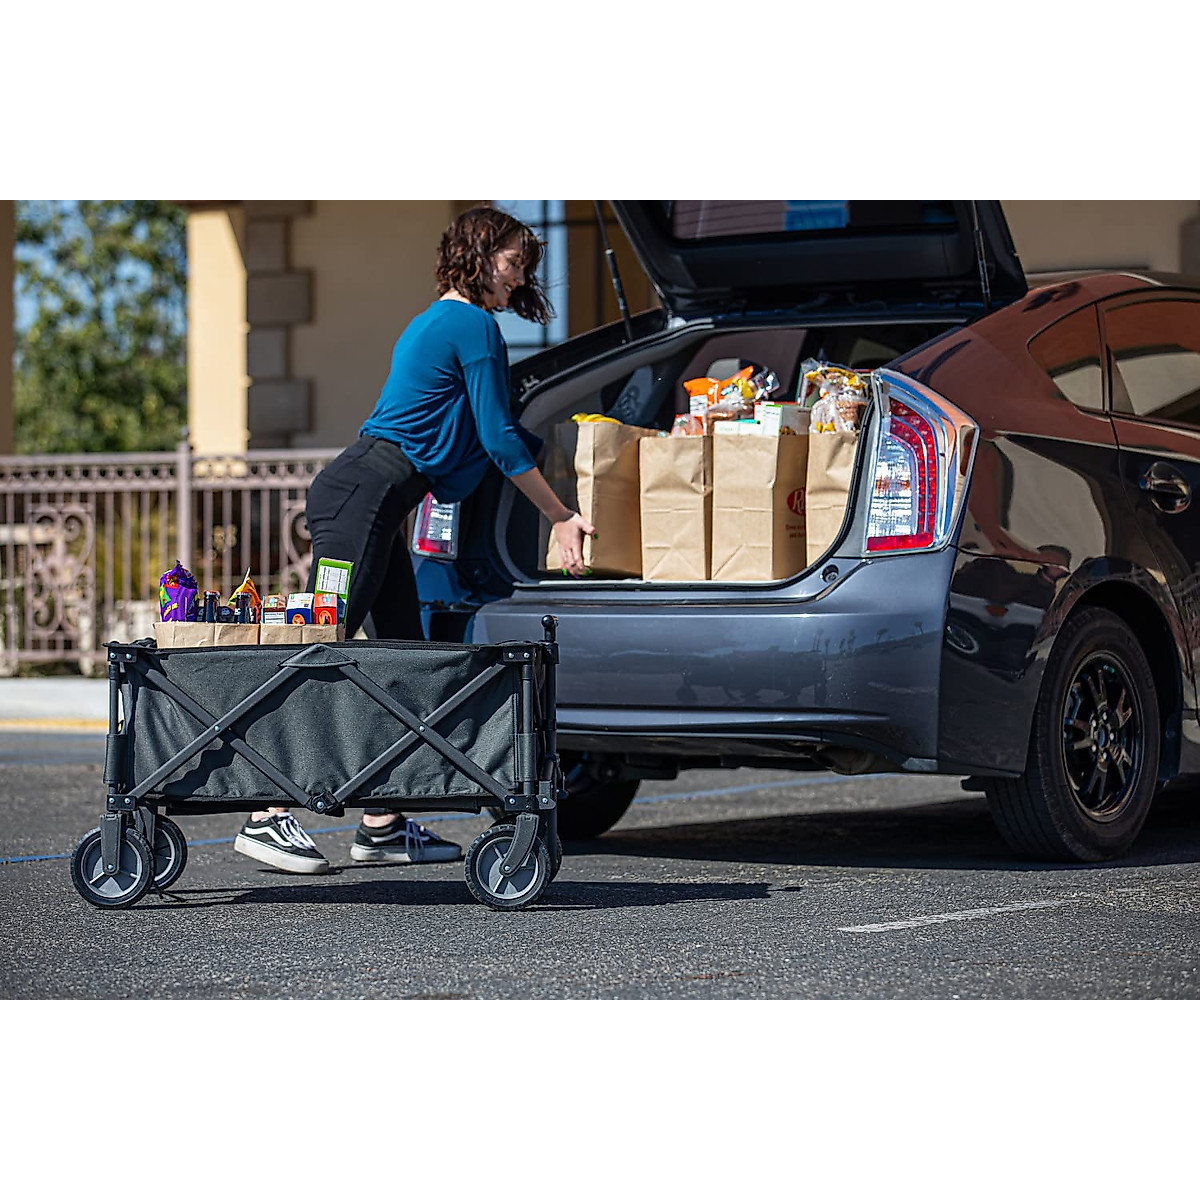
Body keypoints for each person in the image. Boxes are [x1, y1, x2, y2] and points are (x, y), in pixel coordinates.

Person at [234, 206, 594, 875]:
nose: (519, 280)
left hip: (376, 501)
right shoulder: (470, 323)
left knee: (400, 656)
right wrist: (559, 514)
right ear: (481, 255)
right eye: (514, 264)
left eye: (524, 269)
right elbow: (496, 437)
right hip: (362, 498)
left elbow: (459, 449)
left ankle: (383, 822)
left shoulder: (438, 321)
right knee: (323, 646)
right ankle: (261, 813)